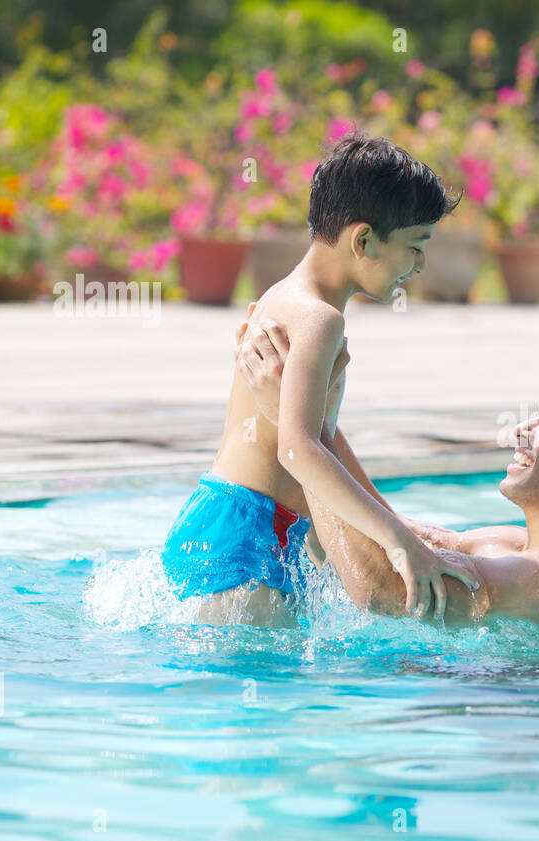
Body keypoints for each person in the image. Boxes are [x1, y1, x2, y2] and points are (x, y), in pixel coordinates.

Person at [161, 131, 477, 626]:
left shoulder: (285, 296)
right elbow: (297, 448)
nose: (420, 266)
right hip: (247, 529)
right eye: (416, 245)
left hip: (235, 519)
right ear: (364, 240)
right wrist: (399, 544)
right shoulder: (319, 318)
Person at [234, 319, 539, 628]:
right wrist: (317, 411)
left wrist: (297, 429)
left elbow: (386, 594)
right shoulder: (513, 544)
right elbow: (394, 536)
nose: (521, 430)